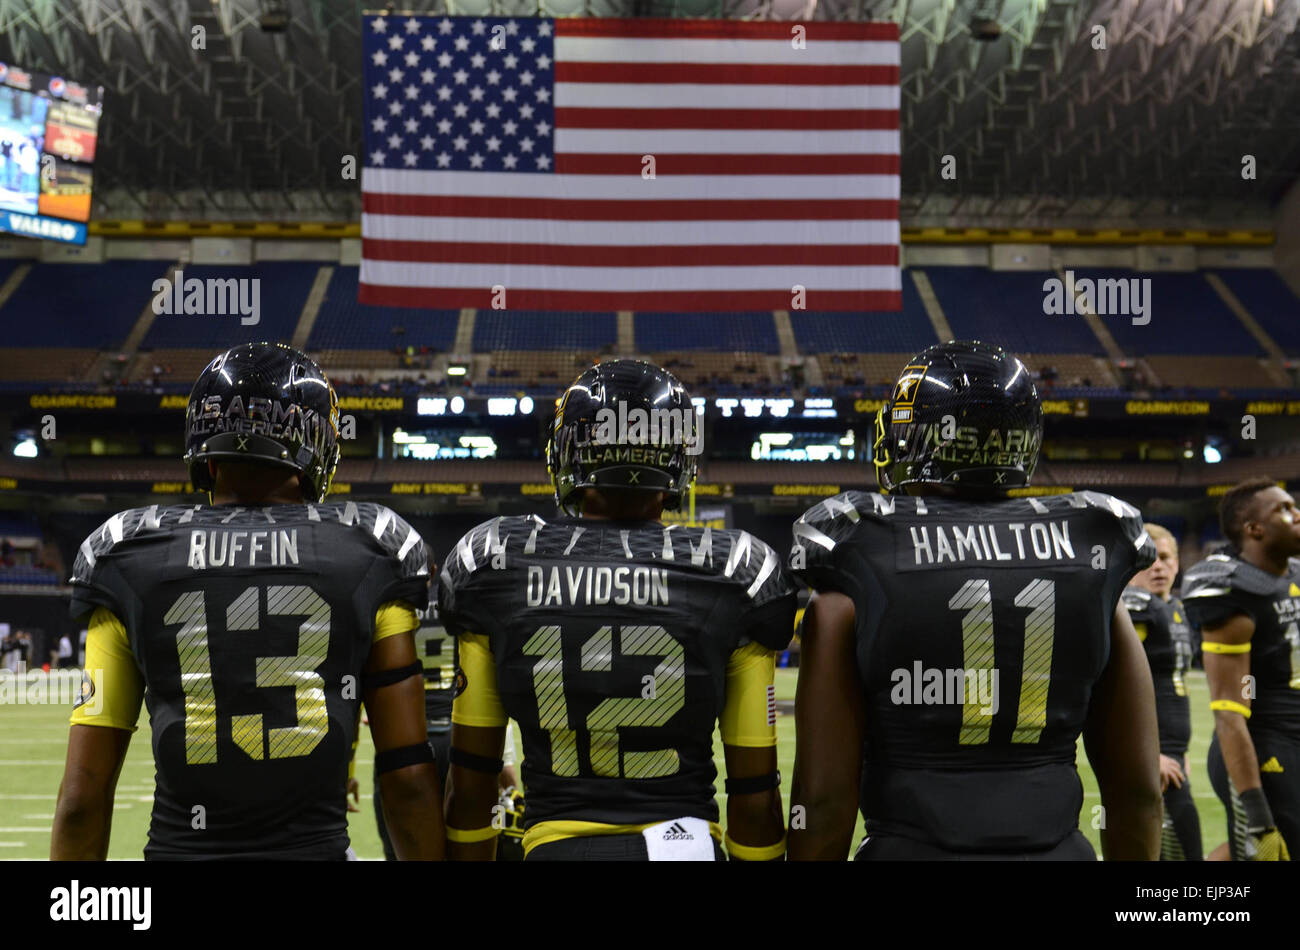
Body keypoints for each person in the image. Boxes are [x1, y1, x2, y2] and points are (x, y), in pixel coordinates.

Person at [51, 342, 444, 860]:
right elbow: (409, 781)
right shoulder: (370, 550)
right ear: (314, 451)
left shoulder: (127, 556)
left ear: (207, 458)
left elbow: (82, 800)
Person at [787, 340, 1161, 861]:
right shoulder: (1093, 555)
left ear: (910, 436)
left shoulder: (858, 554)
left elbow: (824, 801)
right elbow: (1139, 792)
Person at [440, 359, 794, 861]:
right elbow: (756, 797)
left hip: (556, 849)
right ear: (676, 458)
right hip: (685, 848)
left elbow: (471, 788)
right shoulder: (735, 572)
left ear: (570, 455)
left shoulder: (496, 565)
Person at [1182, 477, 1300, 861]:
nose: (1296, 515)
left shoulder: (1293, 575)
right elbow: (1231, 713)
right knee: (1268, 849)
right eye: (1284, 509)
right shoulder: (1235, 590)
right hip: (1264, 748)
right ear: (1254, 529)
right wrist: (1258, 814)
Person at [1122, 522, 1200, 859]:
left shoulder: (1175, 609)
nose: (1159, 567)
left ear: (1178, 563)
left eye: (1166, 558)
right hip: (1150, 757)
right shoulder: (1133, 606)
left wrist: (1178, 750)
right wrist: (1148, 755)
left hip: (1171, 756)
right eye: (1149, 558)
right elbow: (1112, 689)